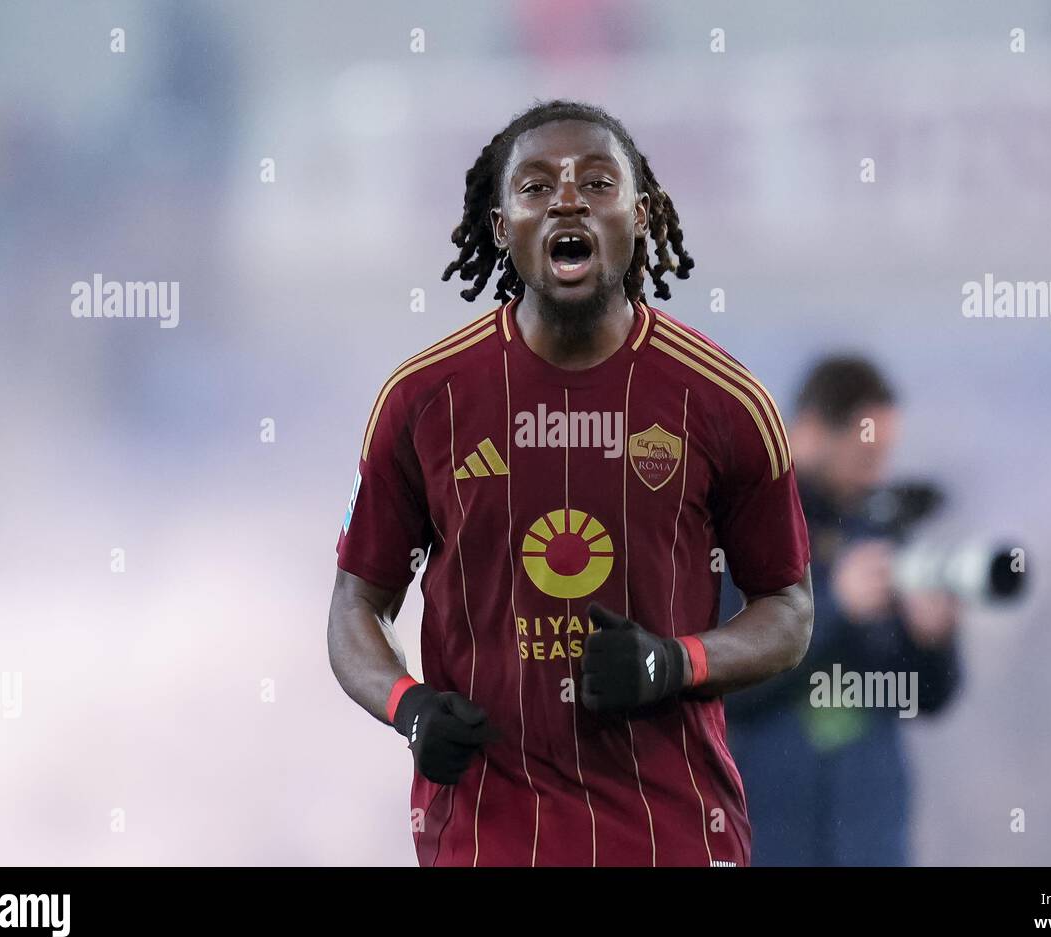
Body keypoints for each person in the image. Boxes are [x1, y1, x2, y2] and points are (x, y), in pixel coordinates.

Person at [326, 100, 814, 866]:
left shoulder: (725, 402)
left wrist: (672, 661)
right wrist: (409, 705)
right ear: (499, 227)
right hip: (486, 836)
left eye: (596, 181)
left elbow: (787, 609)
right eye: (535, 186)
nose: (566, 198)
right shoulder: (424, 401)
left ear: (641, 214)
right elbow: (357, 601)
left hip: (672, 833)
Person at [723, 356, 963, 866]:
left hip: (869, 833)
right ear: (810, 433)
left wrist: (932, 639)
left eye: (883, 457)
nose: (877, 474)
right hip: (772, 829)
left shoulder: (881, 530)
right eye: (865, 455)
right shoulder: (741, 529)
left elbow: (929, 697)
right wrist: (837, 607)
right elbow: (726, 682)